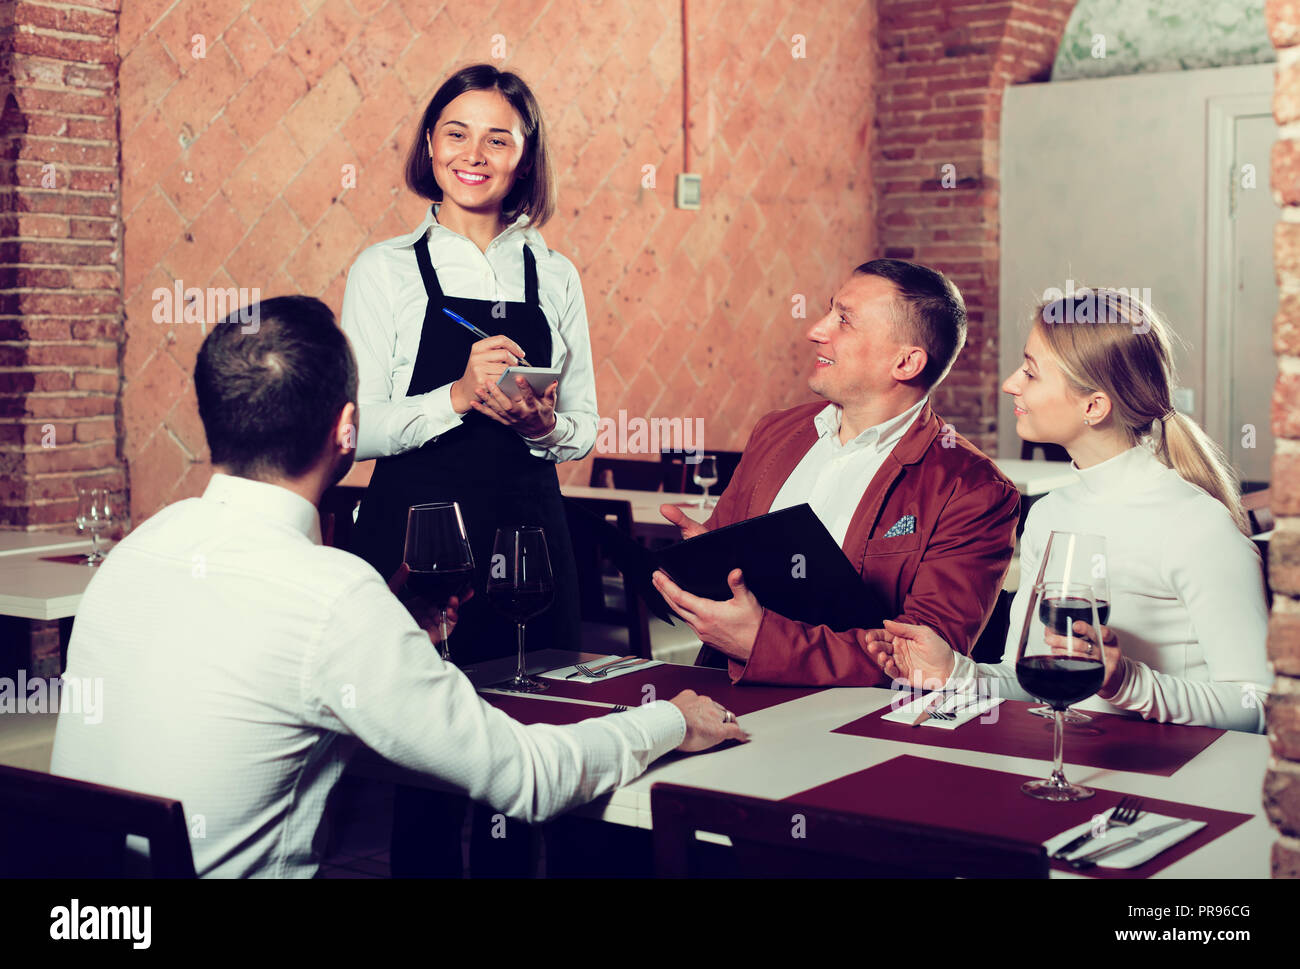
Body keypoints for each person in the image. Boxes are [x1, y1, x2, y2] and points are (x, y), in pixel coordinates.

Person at [48, 297, 745, 878]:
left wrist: (394, 640)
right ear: (347, 429)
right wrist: (673, 718)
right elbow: (527, 778)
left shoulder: (134, 555)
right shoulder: (334, 598)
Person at [339, 65, 597, 874]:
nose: (474, 153)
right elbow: (356, 431)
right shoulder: (383, 269)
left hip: (529, 537)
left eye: (498, 137)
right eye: (456, 132)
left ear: (525, 157)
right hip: (420, 539)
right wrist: (453, 395)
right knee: (425, 764)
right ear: (429, 144)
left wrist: (544, 423)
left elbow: (585, 427)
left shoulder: (555, 273)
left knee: (527, 743)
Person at [865, 288, 1270, 732]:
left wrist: (1129, 683)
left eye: (1031, 373)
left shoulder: (1197, 525)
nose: (1010, 384)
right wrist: (956, 672)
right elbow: (1034, 685)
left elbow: (1256, 704)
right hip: (1068, 770)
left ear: (1093, 406)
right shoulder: (1050, 514)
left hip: (1167, 783)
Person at [652, 259, 1021, 686]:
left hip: (855, 731)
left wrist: (762, 643)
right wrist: (706, 561)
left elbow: (919, 660)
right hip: (723, 695)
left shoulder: (974, 490)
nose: (816, 330)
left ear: (905, 363)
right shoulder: (776, 430)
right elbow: (729, 587)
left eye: (844, 320)